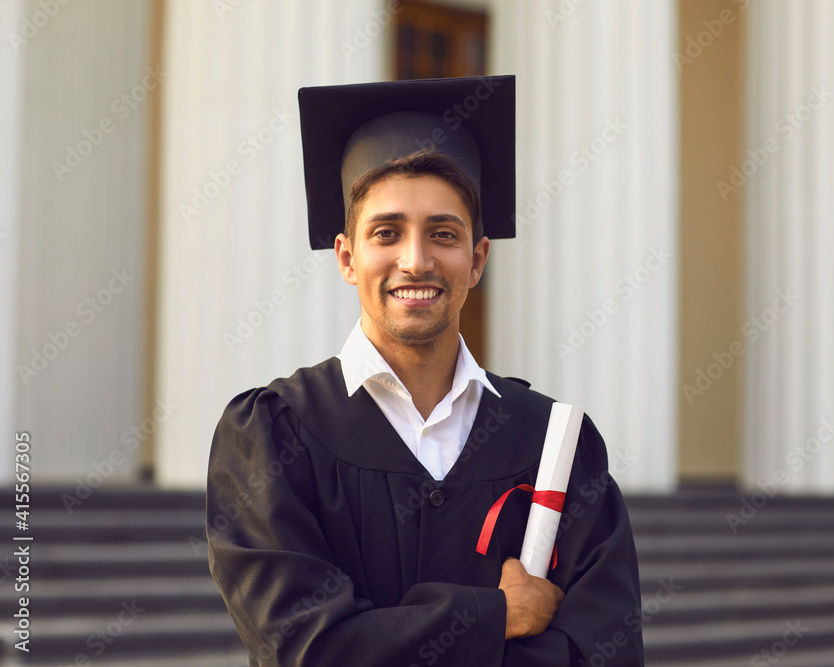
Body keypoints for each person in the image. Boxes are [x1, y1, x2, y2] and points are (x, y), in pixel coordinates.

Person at [206, 76, 644, 666]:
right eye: (387, 233)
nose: (416, 260)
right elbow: (308, 648)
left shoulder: (555, 444)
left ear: (477, 259)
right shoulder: (271, 436)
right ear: (346, 258)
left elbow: (602, 653)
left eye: (443, 234)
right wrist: (495, 616)